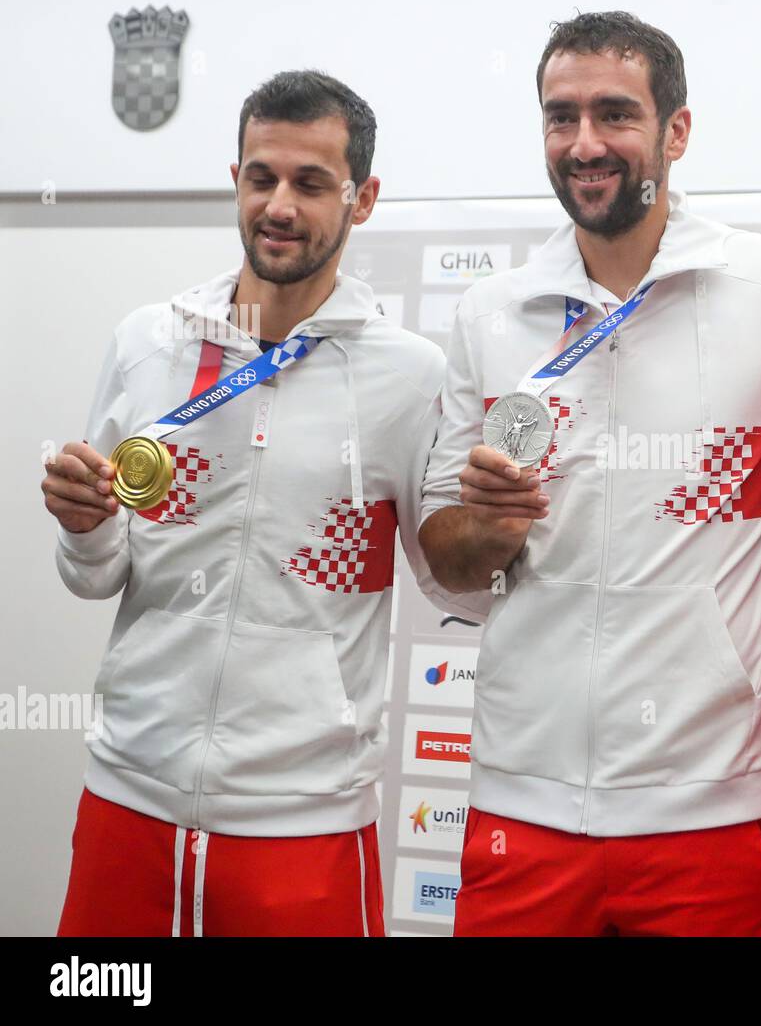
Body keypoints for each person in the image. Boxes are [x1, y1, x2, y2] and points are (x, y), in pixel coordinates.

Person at [419, 11, 761, 936]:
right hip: (521, 794)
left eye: (615, 113)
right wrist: (486, 527)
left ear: (676, 131)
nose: (584, 143)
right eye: (559, 117)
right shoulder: (493, 310)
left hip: (712, 796)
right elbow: (449, 561)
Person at [42, 70, 466, 936]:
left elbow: (458, 592)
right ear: (234, 175)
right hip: (129, 802)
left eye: (310, 184)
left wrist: (496, 525)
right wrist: (86, 529)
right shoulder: (147, 343)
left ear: (364, 196)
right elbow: (99, 575)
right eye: (259, 176)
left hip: (302, 828)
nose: (279, 205)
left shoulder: (410, 376)